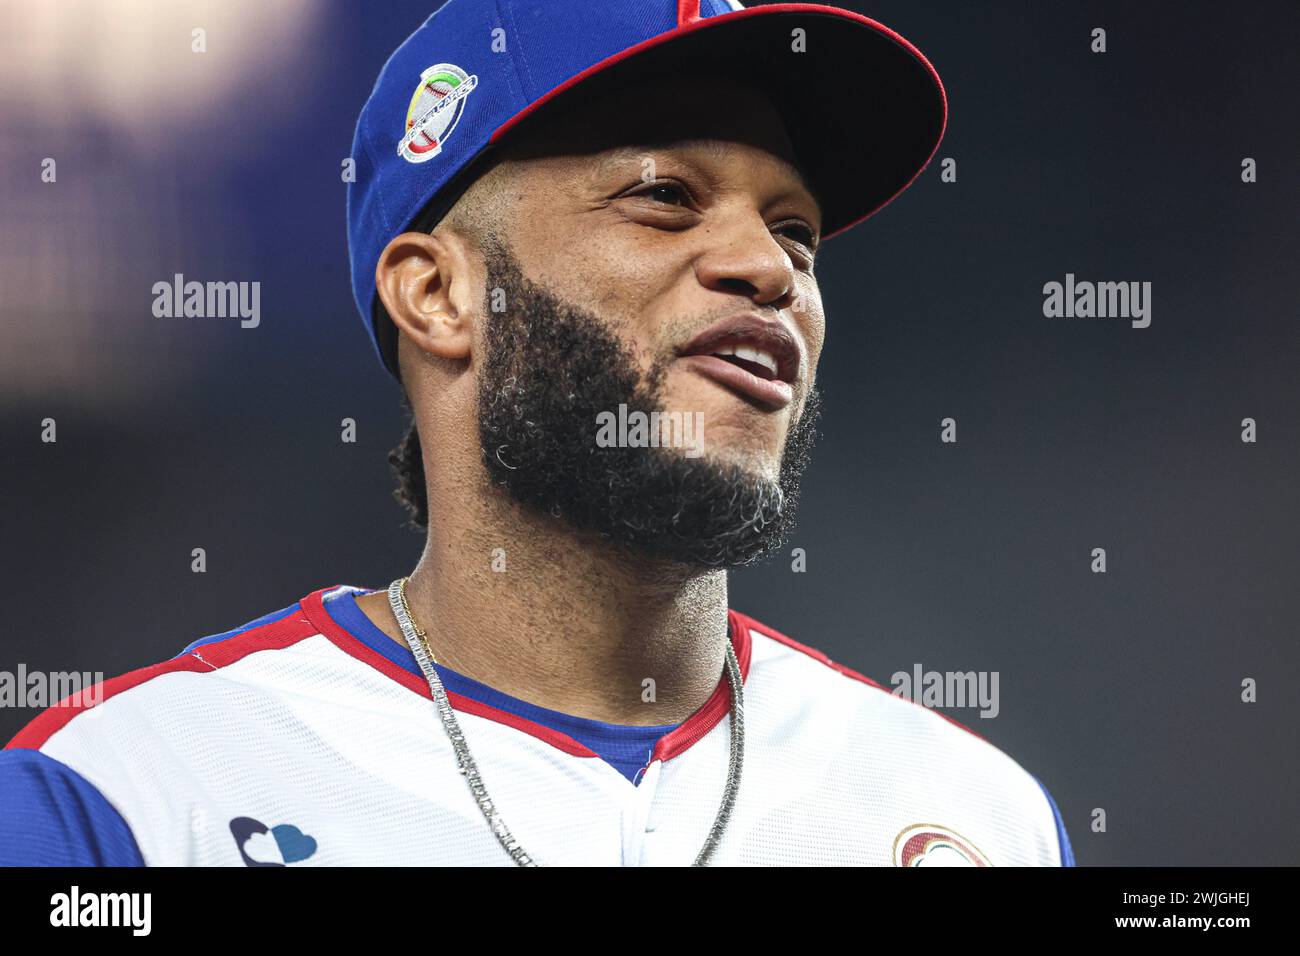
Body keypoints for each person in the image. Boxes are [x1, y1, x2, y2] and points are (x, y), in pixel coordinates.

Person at [0, 0, 1072, 866]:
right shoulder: (121, 802)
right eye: (664, 196)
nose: (770, 267)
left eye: (795, 228)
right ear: (439, 297)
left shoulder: (977, 817)